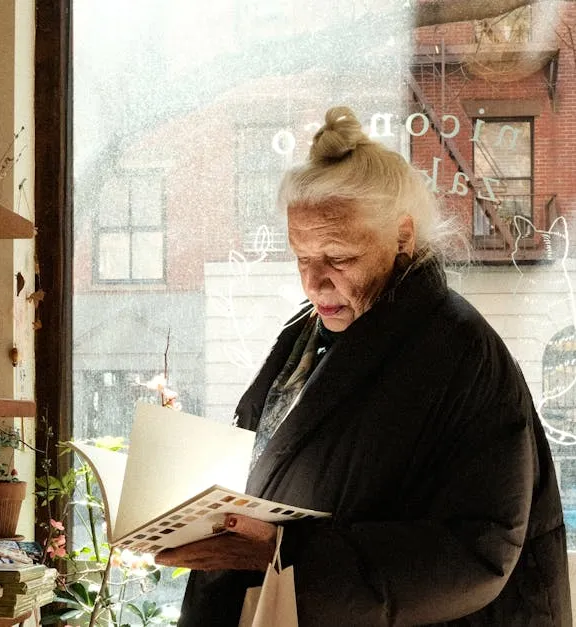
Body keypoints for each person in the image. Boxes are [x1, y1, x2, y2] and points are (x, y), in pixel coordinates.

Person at [155, 106, 572, 625]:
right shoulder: (305, 332)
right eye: (301, 257)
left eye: (340, 257)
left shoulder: (462, 353)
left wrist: (282, 552)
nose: (314, 282)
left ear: (402, 238)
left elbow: (479, 551)